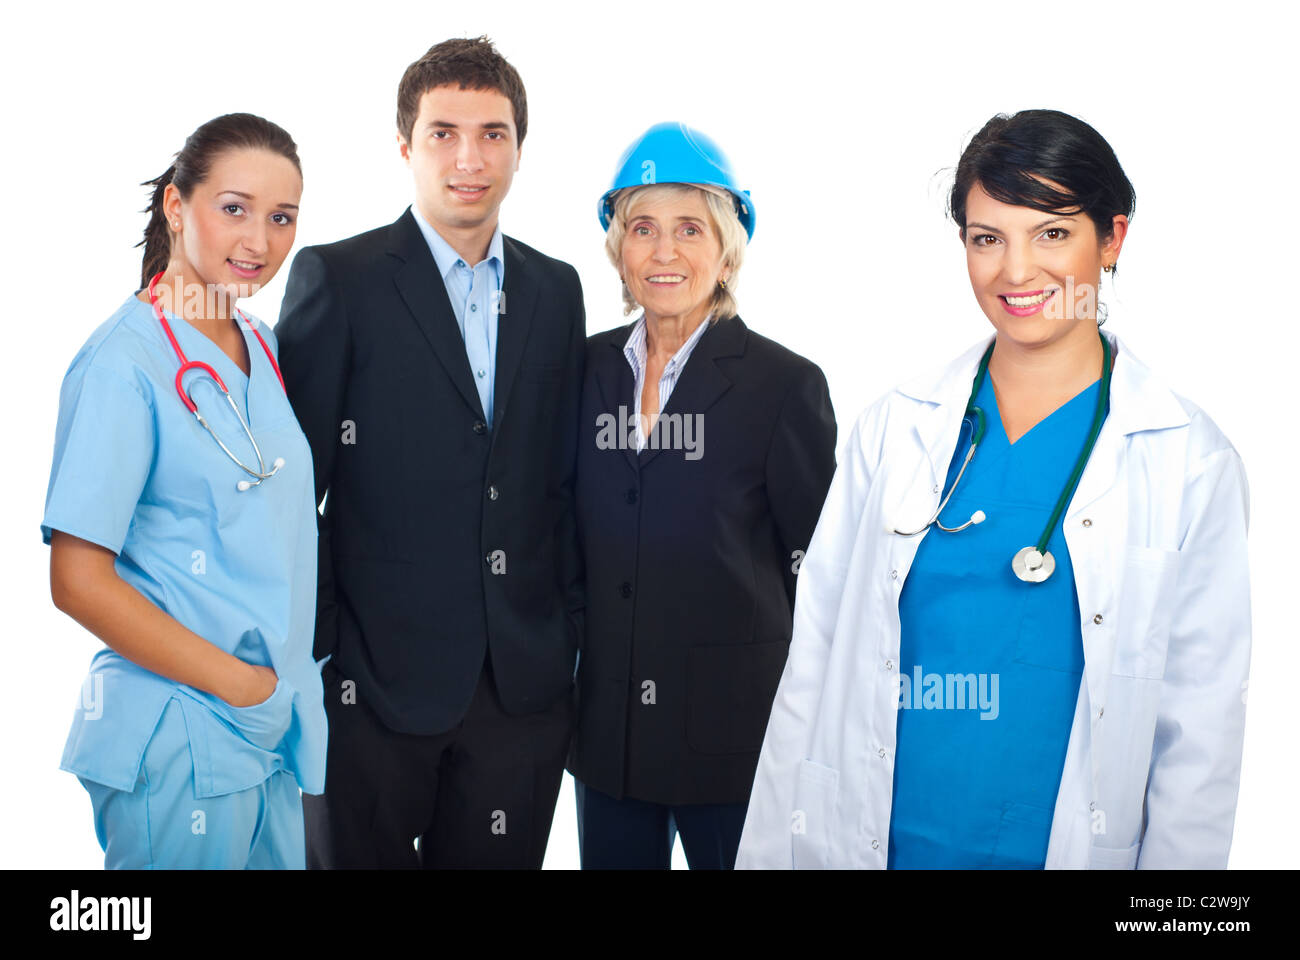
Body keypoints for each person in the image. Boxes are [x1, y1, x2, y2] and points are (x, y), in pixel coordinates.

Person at [736, 109, 1251, 870]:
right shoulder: (896, 428)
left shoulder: (1187, 459)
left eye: (1052, 233)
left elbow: (1198, 737)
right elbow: (811, 667)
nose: (1015, 272)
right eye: (987, 238)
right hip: (880, 840)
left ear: (1112, 239)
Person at [275, 36, 584, 869]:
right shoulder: (338, 280)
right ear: (405, 145)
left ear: (520, 147)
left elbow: (557, 482)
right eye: (444, 133)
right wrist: (328, 652)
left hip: (519, 692)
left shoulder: (556, 290)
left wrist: (566, 639)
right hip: (369, 689)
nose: (469, 158)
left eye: (493, 133)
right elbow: (290, 491)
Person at [43, 113, 325, 869]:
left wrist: (267, 699)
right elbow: (76, 581)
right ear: (176, 207)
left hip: (263, 738)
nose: (258, 242)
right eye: (233, 209)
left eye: (281, 218)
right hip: (180, 735)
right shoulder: (122, 365)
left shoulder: (257, 343)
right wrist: (241, 686)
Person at [567, 122, 837, 869]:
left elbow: (820, 574)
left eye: (690, 228)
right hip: (610, 740)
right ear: (618, 248)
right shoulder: (583, 372)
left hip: (735, 744)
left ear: (726, 250)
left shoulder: (783, 387)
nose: (663, 252)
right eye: (643, 228)